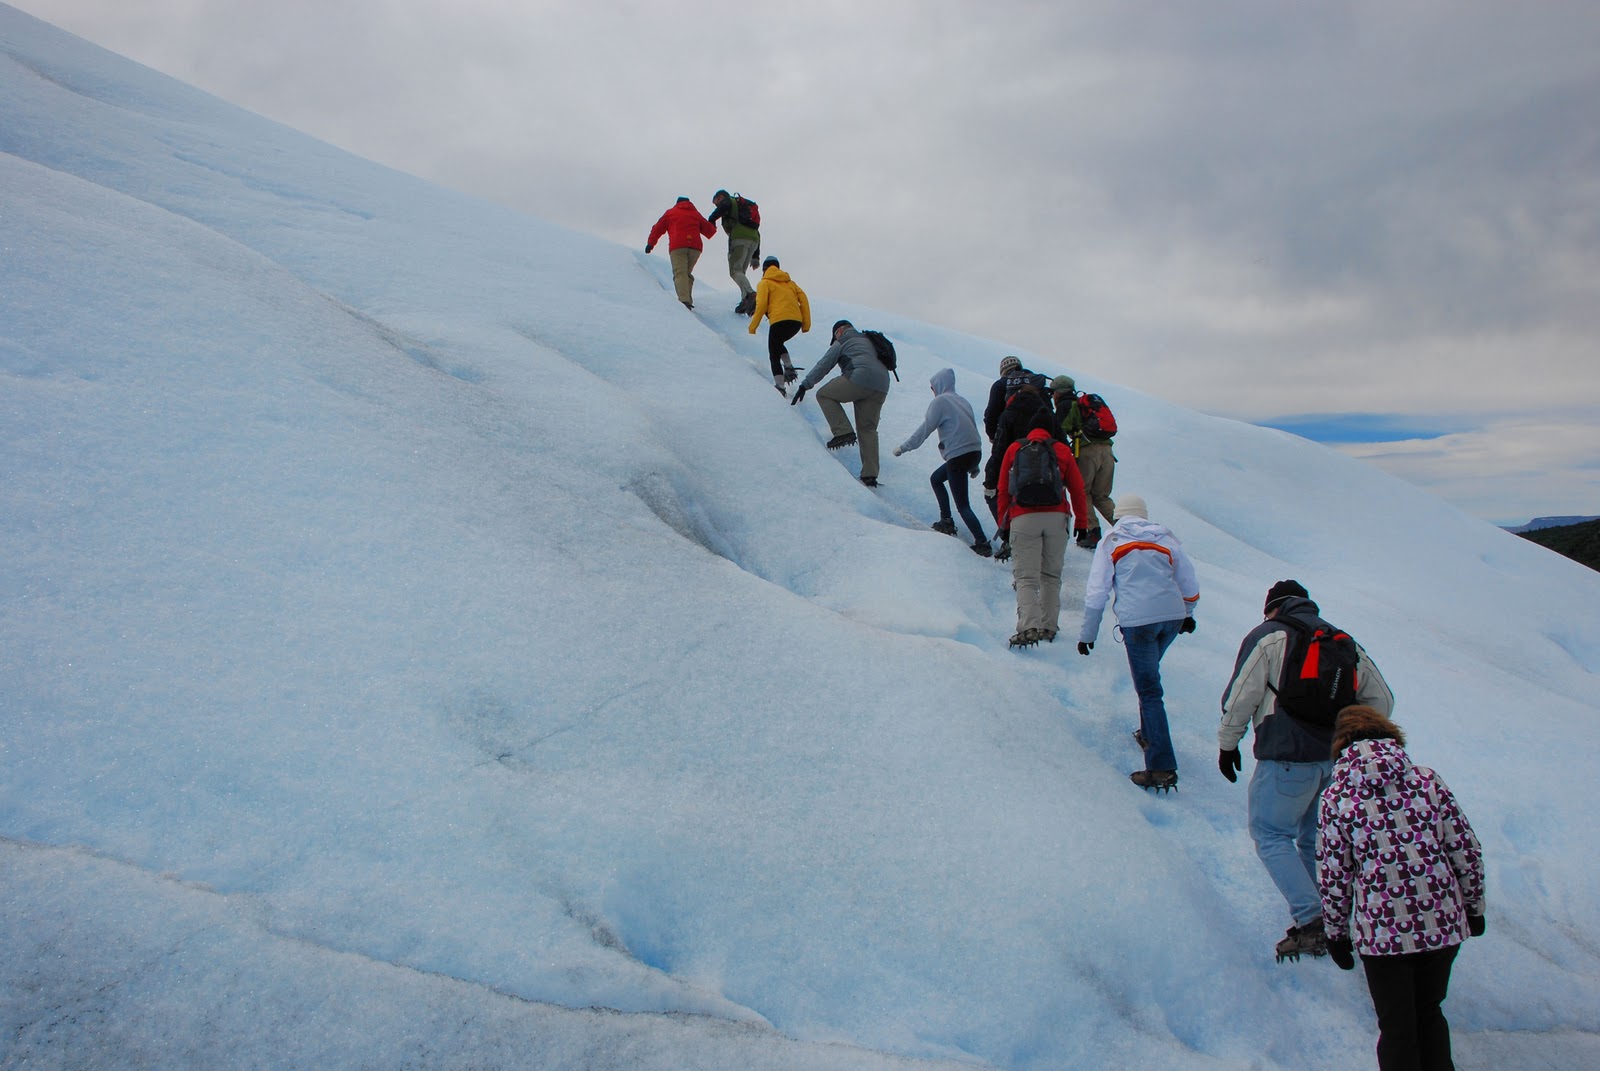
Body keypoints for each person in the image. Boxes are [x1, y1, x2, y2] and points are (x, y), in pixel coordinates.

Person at [1218, 580, 1395, 962]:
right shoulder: (1343, 641)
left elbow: (1241, 695)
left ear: (1272, 608)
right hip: (1333, 761)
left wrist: (1227, 743)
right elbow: (1382, 700)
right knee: (1314, 840)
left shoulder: (1268, 637)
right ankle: (1333, 920)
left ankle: (1312, 920)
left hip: (1284, 755)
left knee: (1270, 834)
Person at [1318, 706, 1485, 1071]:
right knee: (1429, 1012)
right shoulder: (1428, 782)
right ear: (1392, 736)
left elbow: (1335, 875)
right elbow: (1465, 849)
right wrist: (1474, 906)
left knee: (1396, 1029)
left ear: (1341, 746)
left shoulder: (1337, 798)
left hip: (1383, 933)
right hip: (1441, 924)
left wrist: (1336, 933)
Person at [1076, 495, 1200, 790]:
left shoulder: (1113, 540)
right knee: (1149, 679)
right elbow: (1190, 586)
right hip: (1170, 618)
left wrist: (1087, 636)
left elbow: (1097, 594)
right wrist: (1187, 614)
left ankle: (1161, 767)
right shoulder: (1166, 539)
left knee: (1148, 690)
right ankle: (1149, 734)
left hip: (1138, 622)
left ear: (1119, 516)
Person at [995, 427, 1088, 647]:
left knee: (1026, 578)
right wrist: (1083, 523)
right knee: (1051, 575)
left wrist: (1004, 524)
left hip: (1023, 517)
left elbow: (1003, 490)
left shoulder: (1015, 449)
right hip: (1056, 518)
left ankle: (1029, 627)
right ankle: (1048, 626)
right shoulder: (1062, 450)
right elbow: (1078, 489)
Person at [892, 369, 992, 556]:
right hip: (972, 452)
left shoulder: (940, 402)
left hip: (958, 455)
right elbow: (970, 428)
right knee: (936, 479)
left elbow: (926, 428)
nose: (933, 391)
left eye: (933, 387)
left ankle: (982, 543)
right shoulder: (962, 400)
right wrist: (974, 462)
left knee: (963, 505)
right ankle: (946, 520)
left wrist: (904, 447)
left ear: (939, 384)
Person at [791, 320, 892, 487]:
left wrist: (805, 385)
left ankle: (843, 431)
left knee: (824, 395)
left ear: (839, 331)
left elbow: (824, 364)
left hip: (860, 376)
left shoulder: (843, 341)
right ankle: (870, 475)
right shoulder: (869, 340)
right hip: (882, 385)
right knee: (868, 429)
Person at [982, 381, 1061, 543]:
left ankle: (1009, 537)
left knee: (998, 498)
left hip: (1015, 471)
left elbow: (999, 450)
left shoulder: (1009, 413)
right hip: (1048, 475)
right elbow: (1062, 444)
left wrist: (990, 480)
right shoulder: (1047, 414)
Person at [1050, 375, 1116, 548]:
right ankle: (1127, 527)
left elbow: (1059, 430)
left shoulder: (1066, 406)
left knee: (1082, 491)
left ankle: (1093, 533)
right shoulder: (1084, 404)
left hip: (1087, 451)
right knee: (1102, 496)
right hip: (1107, 451)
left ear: (1058, 392)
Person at [746, 256, 810, 394]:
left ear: (764, 270)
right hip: (795, 322)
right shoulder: (791, 283)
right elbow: (804, 300)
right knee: (778, 343)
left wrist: (753, 326)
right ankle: (788, 367)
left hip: (779, 320)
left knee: (773, 352)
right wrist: (806, 324)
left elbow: (761, 304)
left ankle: (780, 387)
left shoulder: (764, 283)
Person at [646, 197, 717, 309]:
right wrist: (713, 222)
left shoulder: (671, 213)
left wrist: (650, 244)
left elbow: (657, 228)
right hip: (695, 248)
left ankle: (684, 301)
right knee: (687, 273)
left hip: (678, 246)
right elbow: (710, 231)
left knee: (680, 273)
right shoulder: (695, 214)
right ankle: (687, 298)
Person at [707, 190, 761, 314]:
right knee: (741, 272)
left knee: (735, 271)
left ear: (720, 197)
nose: (716, 205)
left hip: (739, 238)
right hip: (754, 240)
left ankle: (750, 294)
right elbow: (757, 231)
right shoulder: (745, 209)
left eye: (716, 202)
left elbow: (723, 206)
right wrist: (756, 257)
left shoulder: (729, 201)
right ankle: (745, 301)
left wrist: (712, 219)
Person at [983, 355, 1043, 442]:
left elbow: (991, 413)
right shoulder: (1035, 382)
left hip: (1010, 436)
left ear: (1003, 371)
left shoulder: (1000, 385)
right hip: (1038, 436)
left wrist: (993, 436)